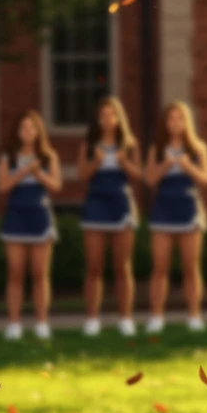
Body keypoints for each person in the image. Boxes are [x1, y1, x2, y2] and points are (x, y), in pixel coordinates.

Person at [77, 96, 142, 337]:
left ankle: (125, 318)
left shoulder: (130, 144)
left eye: (111, 114)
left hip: (121, 204)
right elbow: (81, 175)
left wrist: (125, 163)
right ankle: (92, 319)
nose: (107, 119)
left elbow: (139, 176)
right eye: (103, 115)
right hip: (96, 203)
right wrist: (95, 162)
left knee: (122, 265)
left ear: (119, 118)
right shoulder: (89, 144)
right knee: (94, 266)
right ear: (98, 118)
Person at [145, 101, 207, 331]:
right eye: (171, 118)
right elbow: (150, 180)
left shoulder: (197, 148)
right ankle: (156, 317)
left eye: (180, 118)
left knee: (191, 266)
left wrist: (186, 165)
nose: (175, 123)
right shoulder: (157, 149)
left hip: (189, 209)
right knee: (160, 267)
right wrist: (165, 166)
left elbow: (205, 179)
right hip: (163, 208)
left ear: (187, 122)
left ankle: (194, 316)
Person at [0, 110, 62, 340]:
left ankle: (41, 322)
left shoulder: (48, 156)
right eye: (23, 127)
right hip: (15, 216)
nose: (27, 132)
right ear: (17, 132)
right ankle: (14, 323)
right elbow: (2, 187)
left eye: (32, 127)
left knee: (39, 273)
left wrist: (39, 173)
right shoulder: (9, 157)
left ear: (38, 131)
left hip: (40, 216)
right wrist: (23, 172)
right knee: (15, 272)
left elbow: (56, 186)